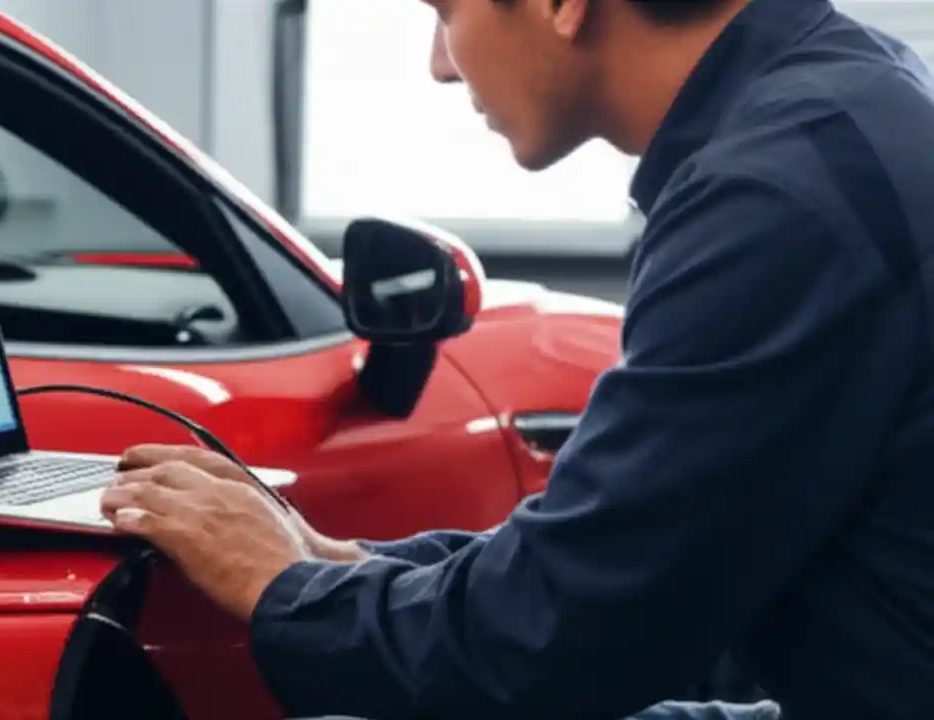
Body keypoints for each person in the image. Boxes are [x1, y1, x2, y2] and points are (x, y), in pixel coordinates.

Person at [100, 0, 934, 717]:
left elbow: (559, 636)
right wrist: (337, 562)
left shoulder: (776, 198)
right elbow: (629, 569)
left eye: (444, 13)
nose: (439, 67)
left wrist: (279, 586)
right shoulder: (845, 101)